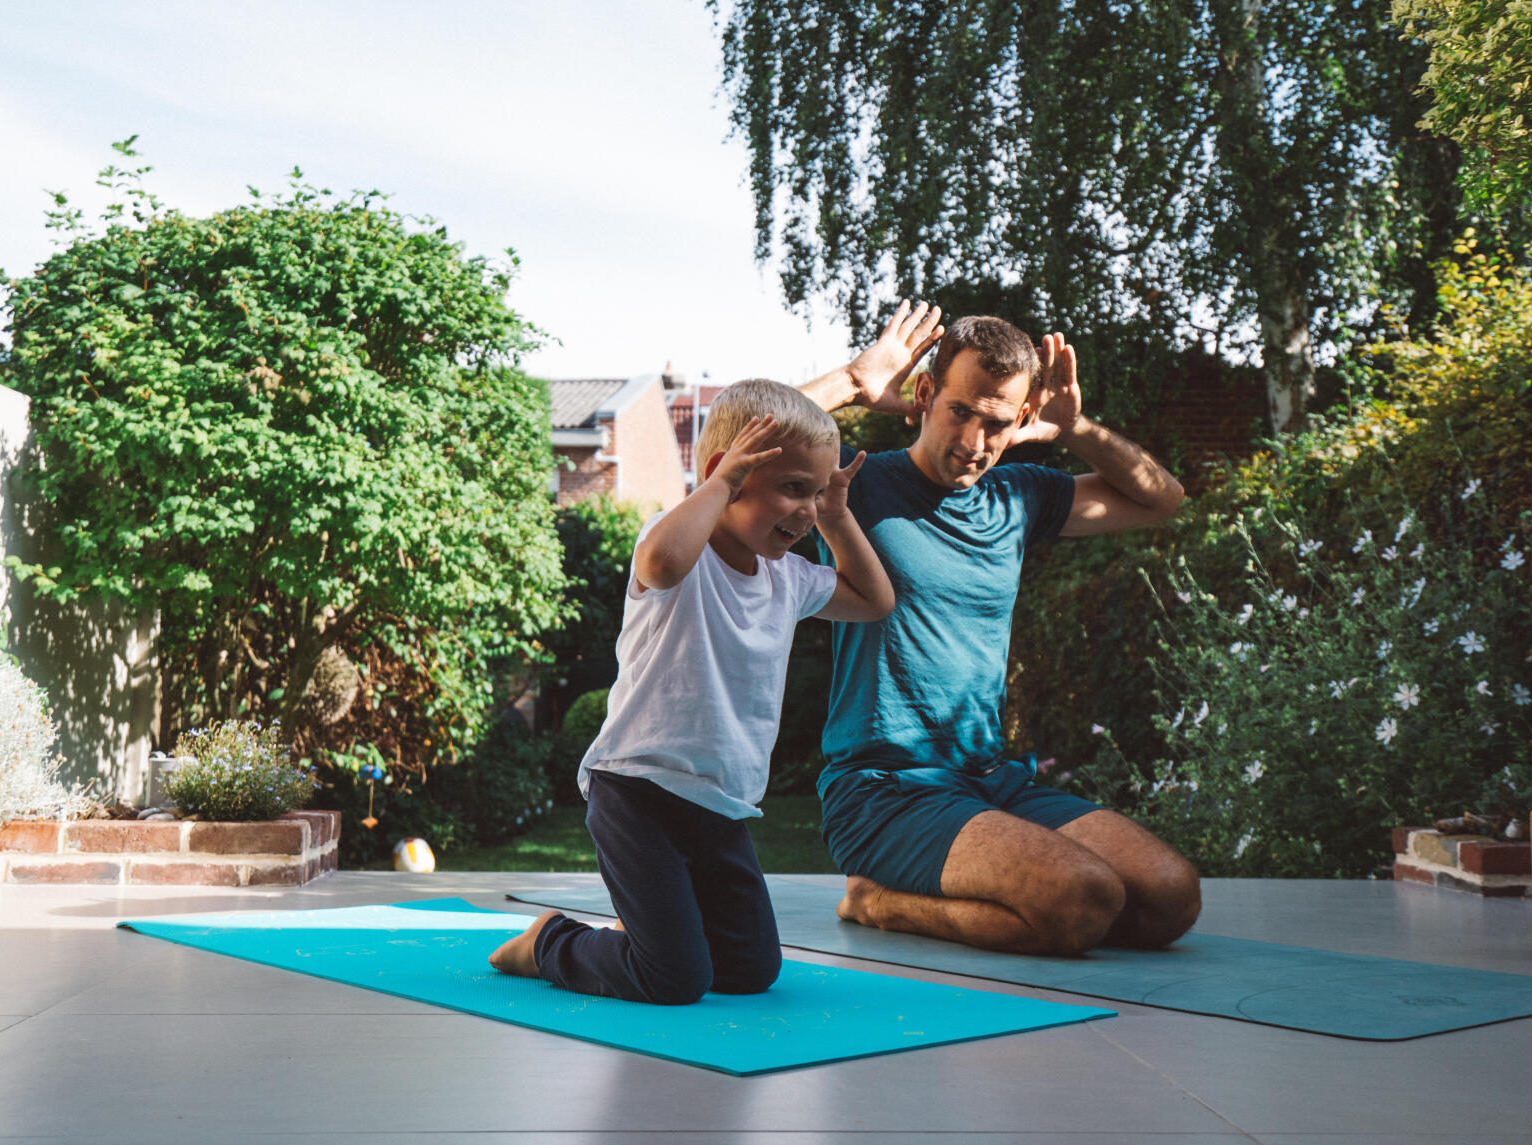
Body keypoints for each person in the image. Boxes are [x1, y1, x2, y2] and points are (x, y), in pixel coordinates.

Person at [798, 301, 1200, 956]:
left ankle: (1013, 894)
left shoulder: (1019, 496)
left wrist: (1077, 428)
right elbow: (736, 435)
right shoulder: (856, 482)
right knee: (1079, 897)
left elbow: (1163, 498)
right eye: (961, 411)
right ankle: (881, 900)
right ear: (925, 392)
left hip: (988, 780)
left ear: (1019, 419)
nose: (975, 442)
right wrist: (852, 380)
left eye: (997, 423)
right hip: (883, 790)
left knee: (1171, 894)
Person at [489, 380, 895, 1003]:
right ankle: (550, 941)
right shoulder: (684, 548)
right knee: (674, 979)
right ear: (724, 475)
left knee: (750, 972)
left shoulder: (789, 580)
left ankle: (649, 928)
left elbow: (874, 601)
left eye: (816, 493)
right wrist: (718, 487)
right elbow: (661, 563)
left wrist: (838, 516)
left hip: (722, 808)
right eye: (793, 489)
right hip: (638, 793)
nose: (807, 511)